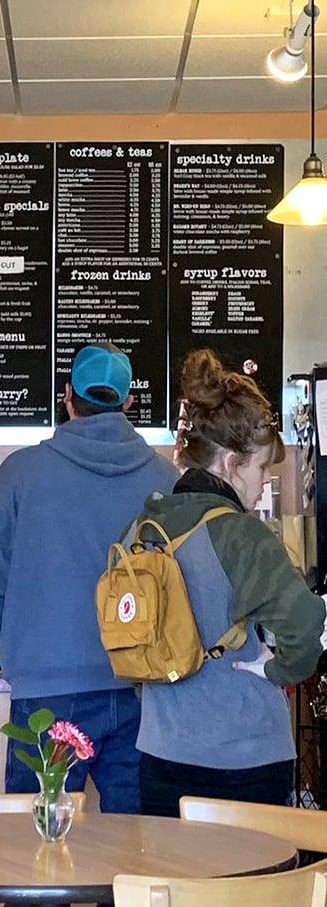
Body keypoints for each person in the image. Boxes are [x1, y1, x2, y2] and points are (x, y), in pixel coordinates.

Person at [0, 342, 179, 813]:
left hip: (47, 689)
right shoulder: (166, 480)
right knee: (138, 851)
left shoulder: (18, 474)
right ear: (128, 403)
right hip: (141, 690)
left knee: (36, 852)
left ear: (67, 396)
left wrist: (13, 643)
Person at [135, 347, 326, 817]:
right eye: (261, 468)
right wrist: (280, 669)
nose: (264, 482)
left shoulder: (146, 526)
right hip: (245, 759)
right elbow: (304, 624)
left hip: (161, 754)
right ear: (230, 463)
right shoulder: (241, 534)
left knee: (174, 890)